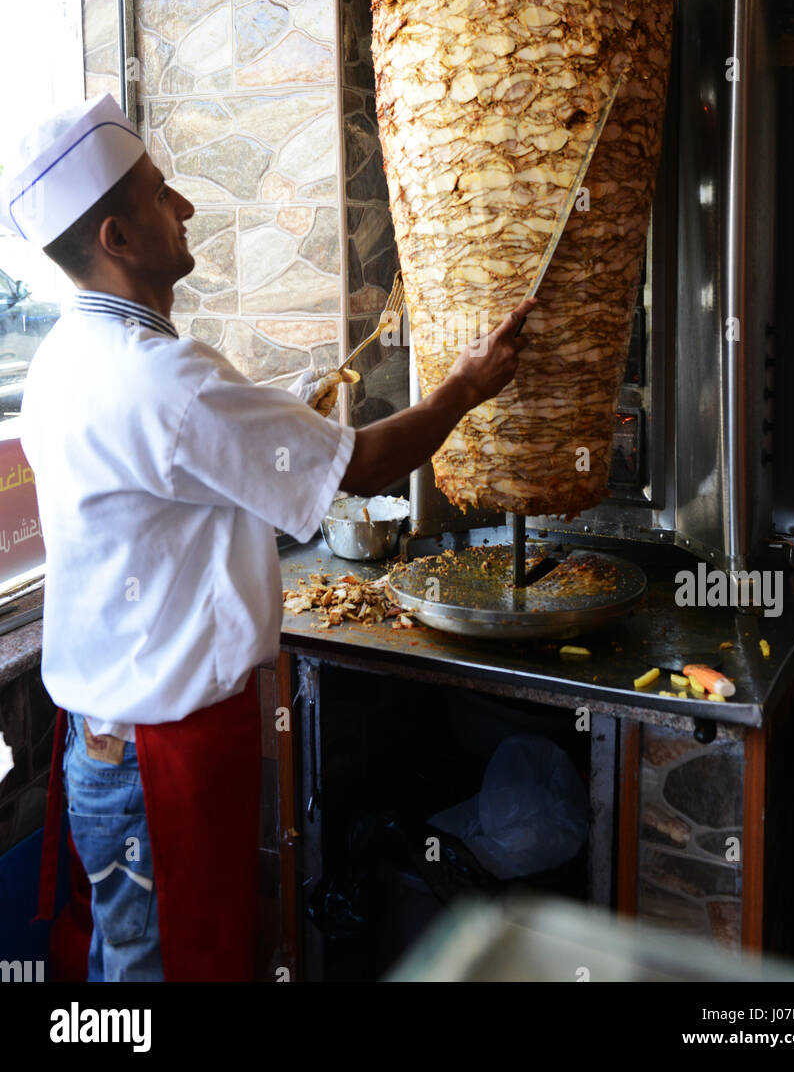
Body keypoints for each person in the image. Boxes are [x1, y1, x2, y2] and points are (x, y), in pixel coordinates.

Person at [0, 93, 534, 982]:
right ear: (116, 239)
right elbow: (360, 468)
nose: (186, 208)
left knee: (133, 965)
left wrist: (279, 417)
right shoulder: (164, 379)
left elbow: (188, 460)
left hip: (107, 741)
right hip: (160, 758)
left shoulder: (65, 359)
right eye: (161, 194)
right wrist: (463, 388)